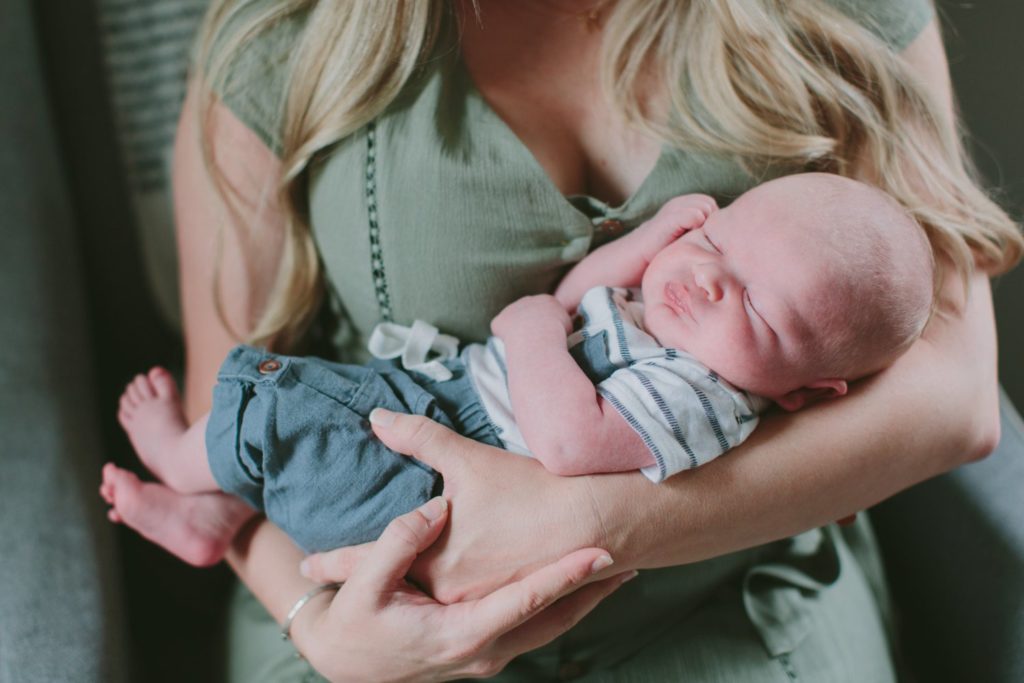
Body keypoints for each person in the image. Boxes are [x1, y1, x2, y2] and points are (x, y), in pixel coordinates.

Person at [133, 0, 1021, 680]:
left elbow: (954, 391)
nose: (705, 273)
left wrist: (588, 523)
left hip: (730, 603)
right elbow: (227, 420)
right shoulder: (287, 32)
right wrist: (322, 627)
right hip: (360, 601)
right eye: (712, 240)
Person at [101, 173, 934, 563]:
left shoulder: (705, 398)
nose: (708, 278)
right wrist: (647, 246)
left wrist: (531, 335)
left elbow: (572, 441)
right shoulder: (669, 323)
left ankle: (185, 461)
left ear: (800, 389)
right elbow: (575, 297)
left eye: (758, 307)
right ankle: (221, 513)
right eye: (716, 243)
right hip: (438, 404)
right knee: (311, 403)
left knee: (288, 402)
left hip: (438, 485)